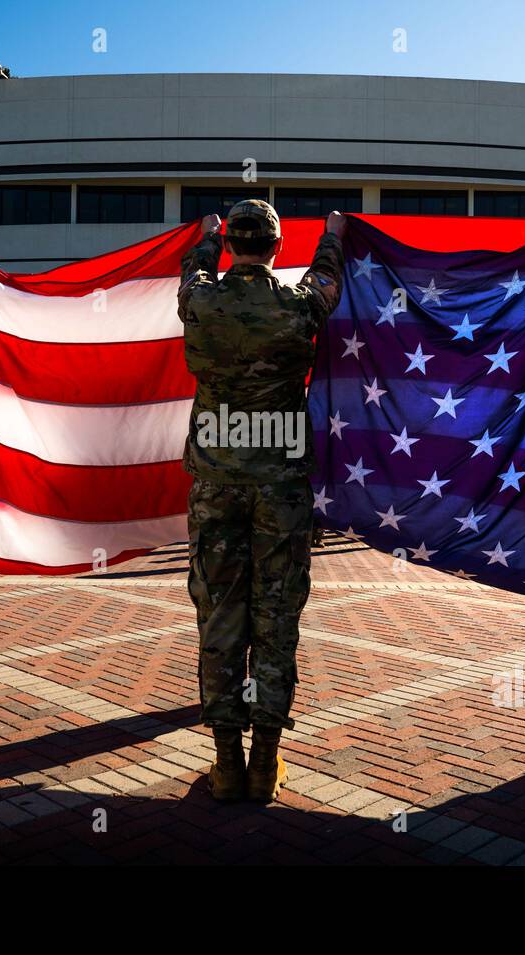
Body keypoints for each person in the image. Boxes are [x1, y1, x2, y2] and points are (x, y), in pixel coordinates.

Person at [179, 200, 345, 802]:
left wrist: (203, 239)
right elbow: (328, 280)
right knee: (276, 621)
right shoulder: (298, 306)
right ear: (276, 248)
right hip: (280, 485)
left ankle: (226, 764)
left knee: (220, 620)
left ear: (230, 247)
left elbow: (191, 270)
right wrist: (331, 238)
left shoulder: (200, 300)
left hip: (217, 482)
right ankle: (264, 762)